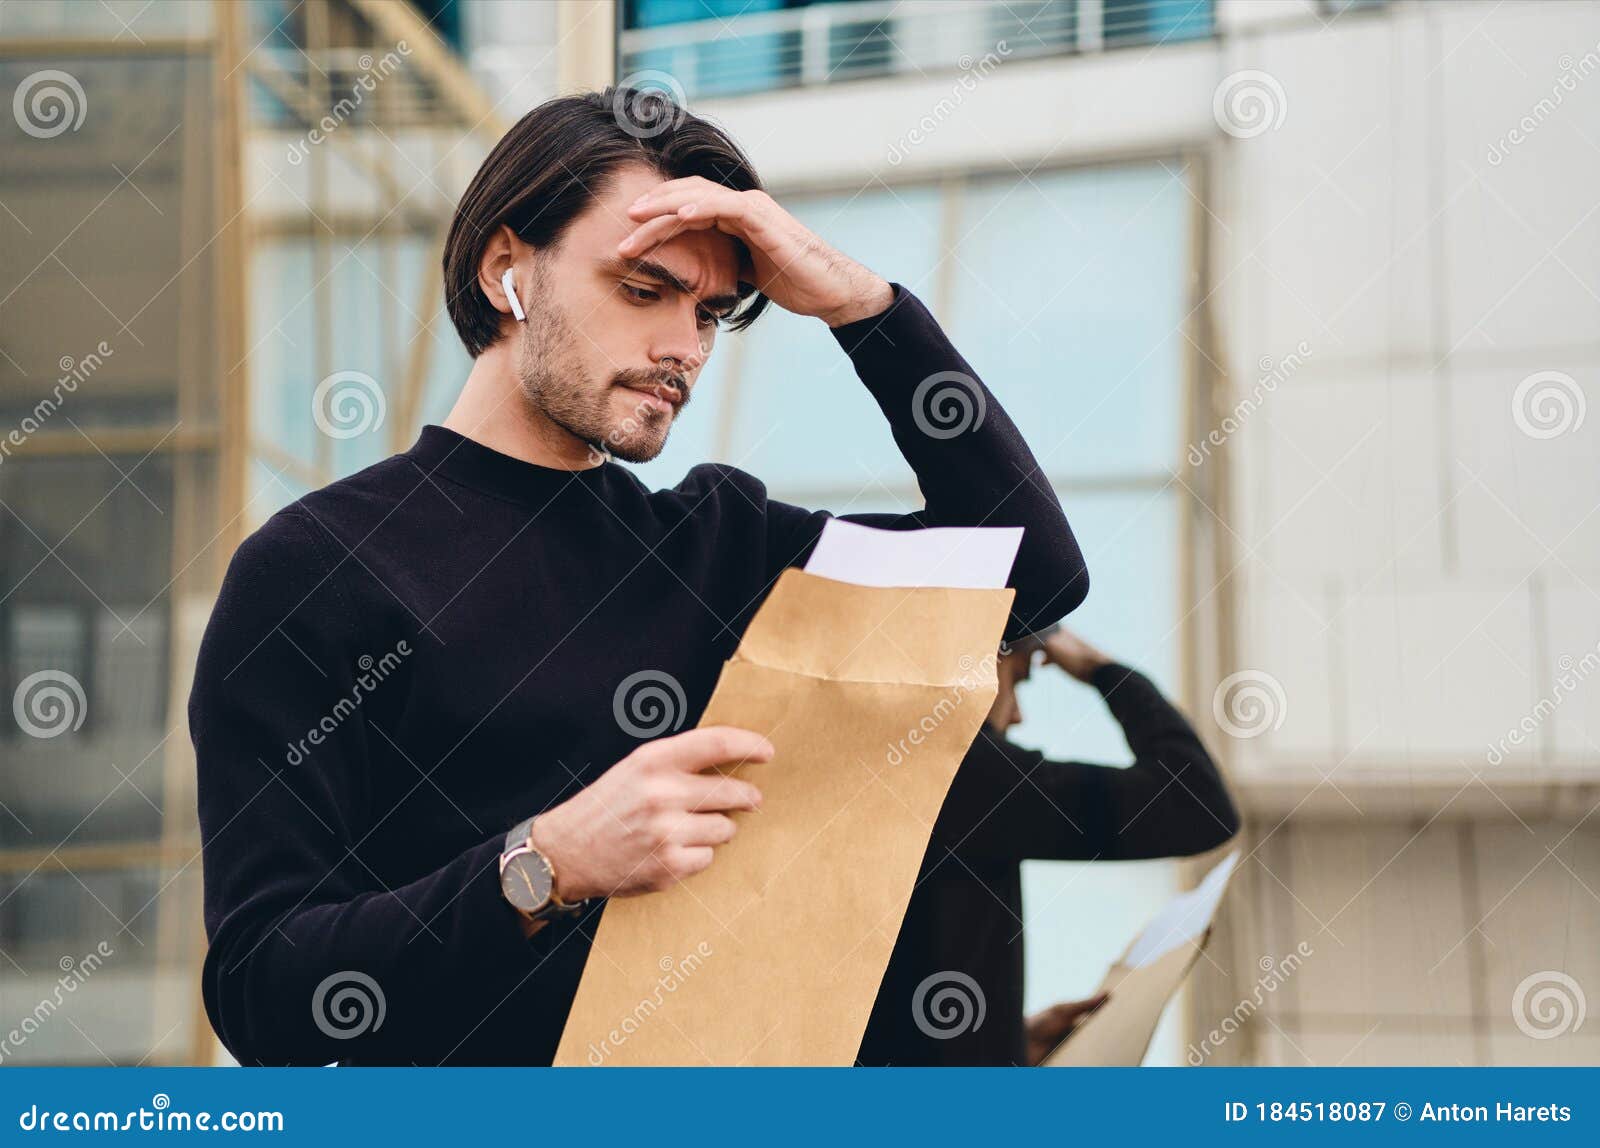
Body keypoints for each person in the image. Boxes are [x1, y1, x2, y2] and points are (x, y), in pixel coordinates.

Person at [189, 88, 1090, 1066]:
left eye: (710, 312)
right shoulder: (316, 565)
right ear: (508, 269)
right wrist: (547, 862)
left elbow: (1029, 570)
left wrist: (861, 307)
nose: (685, 348)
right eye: (643, 288)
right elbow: (261, 992)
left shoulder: (721, 542)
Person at [857, 627, 1240, 1066]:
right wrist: (1100, 668)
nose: (1017, 715)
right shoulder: (960, 773)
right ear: (978, 665)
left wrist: (1008, 1039)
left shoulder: (873, 760)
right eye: (1018, 678)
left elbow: (897, 982)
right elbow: (1195, 806)